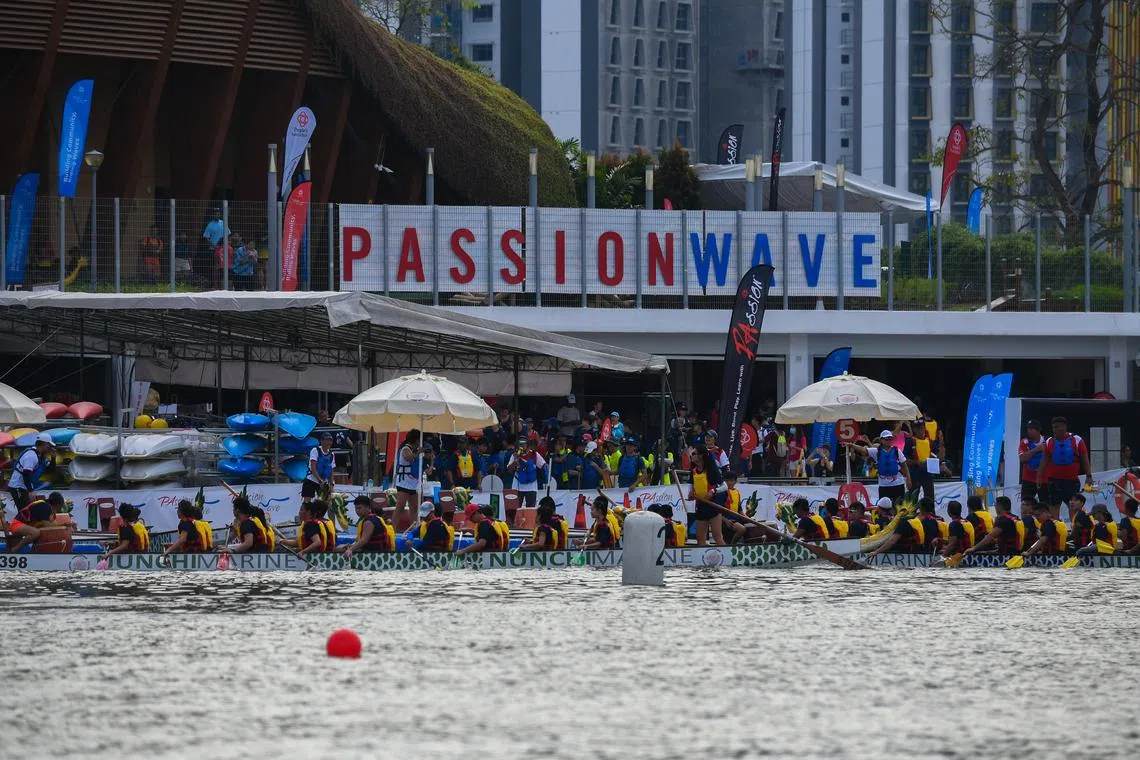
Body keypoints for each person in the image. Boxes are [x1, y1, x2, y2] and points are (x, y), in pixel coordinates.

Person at [1037, 416, 1091, 515]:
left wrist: (1089, 476)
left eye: (1056, 427)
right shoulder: (1049, 441)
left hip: (1071, 481)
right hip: (1054, 481)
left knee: (1073, 508)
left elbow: (1085, 459)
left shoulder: (1077, 440)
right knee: (1053, 507)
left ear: (1064, 427)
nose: (1054, 430)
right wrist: (1039, 477)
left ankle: (1075, 524)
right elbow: (1044, 460)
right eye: (1053, 427)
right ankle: (1055, 524)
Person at [847, 431, 910, 502]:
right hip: (884, 485)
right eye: (886, 439)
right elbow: (863, 450)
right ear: (881, 440)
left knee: (899, 506)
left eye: (890, 439)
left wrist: (908, 479)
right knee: (884, 506)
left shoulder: (897, 450)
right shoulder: (877, 451)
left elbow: (904, 465)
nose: (889, 441)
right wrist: (851, 445)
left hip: (898, 483)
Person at [867, 497, 942, 557]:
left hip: (906, 554)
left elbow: (892, 541)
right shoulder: (939, 521)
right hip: (931, 553)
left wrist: (876, 552)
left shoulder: (905, 522)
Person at [688, 446, 726, 546]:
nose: (691, 455)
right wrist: (691, 494)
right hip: (701, 507)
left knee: (717, 536)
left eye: (694, 454)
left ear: (701, 456)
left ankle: (726, 554)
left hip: (713, 506)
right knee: (700, 538)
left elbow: (725, 487)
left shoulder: (711, 470)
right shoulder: (693, 471)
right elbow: (691, 487)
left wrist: (713, 491)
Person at [8, 432, 55, 510]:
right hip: (18, 487)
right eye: (49, 445)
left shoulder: (40, 456)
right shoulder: (31, 456)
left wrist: (53, 458)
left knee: (27, 511)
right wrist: (31, 491)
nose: (50, 448)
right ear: (45, 444)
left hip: (24, 487)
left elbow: (51, 470)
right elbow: (26, 474)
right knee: (23, 511)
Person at [393, 430, 423, 528]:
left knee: (414, 507)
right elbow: (409, 458)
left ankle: (414, 528)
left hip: (413, 482)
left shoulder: (413, 450)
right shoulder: (405, 448)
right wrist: (418, 452)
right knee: (400, 506)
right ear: (416, 440)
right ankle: (392, 528)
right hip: (404, 482)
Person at [507, 435, 546, 509]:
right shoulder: (514, 455)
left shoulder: (534, 454)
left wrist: (545, 479)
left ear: (528, 444)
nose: (521, 445)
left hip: (531, 486)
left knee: (530, 510)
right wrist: (515, 461)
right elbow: (509, 470)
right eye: (520, 443)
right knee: (514, 509)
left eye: (523, 443)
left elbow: (543, 466)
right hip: (517, 486)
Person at [1017, 420, 1047, 503]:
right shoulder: (1024, 442)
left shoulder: (1047, 441)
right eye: (1028, 429)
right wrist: (1036, 449)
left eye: (1031, 429)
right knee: (1026, 503)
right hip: (1028, 479)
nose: (1029, 431)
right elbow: (1022, 459)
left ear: (1038, 430)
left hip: (1044, 479)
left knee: (1045, 504)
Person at [904, 422, 935, 501]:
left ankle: (929, 509)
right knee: (913, 496)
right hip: (915, 472)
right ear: (914, 430)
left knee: (929, 495)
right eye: (918, 429)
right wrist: (915, 462)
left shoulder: (930, 441)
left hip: (928, 472)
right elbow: (904, 459)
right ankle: (912, 509)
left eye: (922, 428)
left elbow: (936, 455)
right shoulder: (910, 441)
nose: (920, 431)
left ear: (924, 429)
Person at [304, 432, 335, 505]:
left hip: (324, 481)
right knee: (307, 503)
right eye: (327, 440)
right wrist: (320, 480)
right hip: (312, 480)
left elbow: (331, 470)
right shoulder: (315, 450)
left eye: (330, 440)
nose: (329, 442)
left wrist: (331, 484)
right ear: (322, 441)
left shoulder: (332, 454)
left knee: (326, 503)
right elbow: (313, 468)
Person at [719, 469, 748, 543]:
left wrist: (749, 519)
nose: (729, 483)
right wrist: (726, 521)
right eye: (727, 481)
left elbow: (740, 511)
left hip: (735, 519)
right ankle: (732, 545)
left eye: (731, 480)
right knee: (742, 529)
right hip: (725, 521)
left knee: (750, 525)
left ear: (735, 481)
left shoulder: (736, 492)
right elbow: (717, 512)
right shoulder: (722, 493)